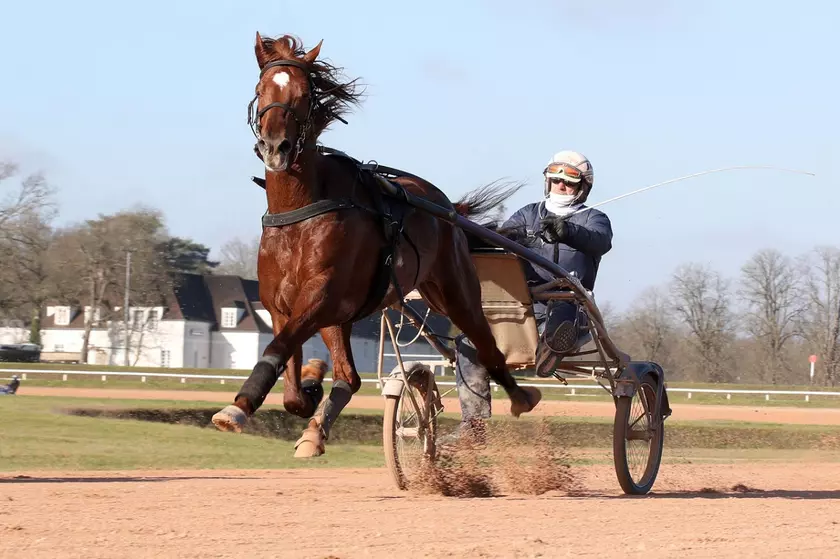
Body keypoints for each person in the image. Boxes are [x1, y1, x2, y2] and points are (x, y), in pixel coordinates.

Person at [453, 150, 613, 441]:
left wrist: (567, 231)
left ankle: (553, 345)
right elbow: (500, 239)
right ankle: (473, 427)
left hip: (571, 305)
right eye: (555, 180)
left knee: (563, 307)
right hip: (524, 307)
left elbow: (600, 241)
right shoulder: (528, 214)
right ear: (547, 181)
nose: (561, 186)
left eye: (569, 182)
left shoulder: (595, 218)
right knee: (467, 342)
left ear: (582, 187)